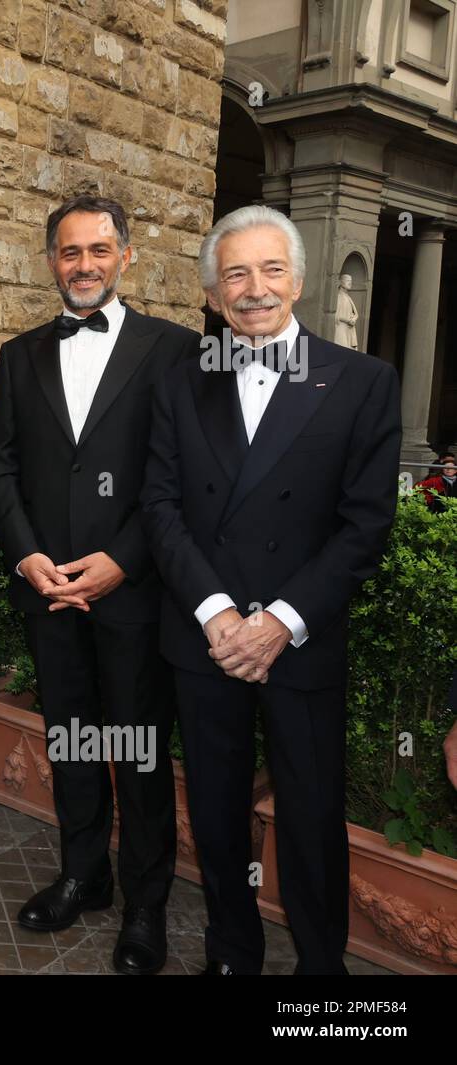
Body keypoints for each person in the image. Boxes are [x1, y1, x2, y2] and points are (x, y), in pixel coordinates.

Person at [142, 204, 401, 975]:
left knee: (312, 815)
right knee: (216, 808)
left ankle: (322, 968)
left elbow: (365, 525)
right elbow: (158, 506)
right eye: (236, 276)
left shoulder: (363, 382)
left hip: (301, 639)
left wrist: (280, 623)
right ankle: (231, 950)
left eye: (270, 270)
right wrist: (220, 614)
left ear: (298, 279)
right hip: (206, 639)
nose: (254, 289)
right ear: (216, 295)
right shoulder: (182, 381)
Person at [0, 195, 198, 974]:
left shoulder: (175, 350)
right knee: (71, 738)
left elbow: (181, 477)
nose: (83, 265)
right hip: (48, 590)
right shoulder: (18, 353)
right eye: (69, 253)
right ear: (50, 262)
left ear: (126, 255)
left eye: (98, 251)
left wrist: (124, 559)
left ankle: (145, 905)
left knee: (138, 751)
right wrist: (28, 556)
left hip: (133, 595)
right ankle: (84, 873)